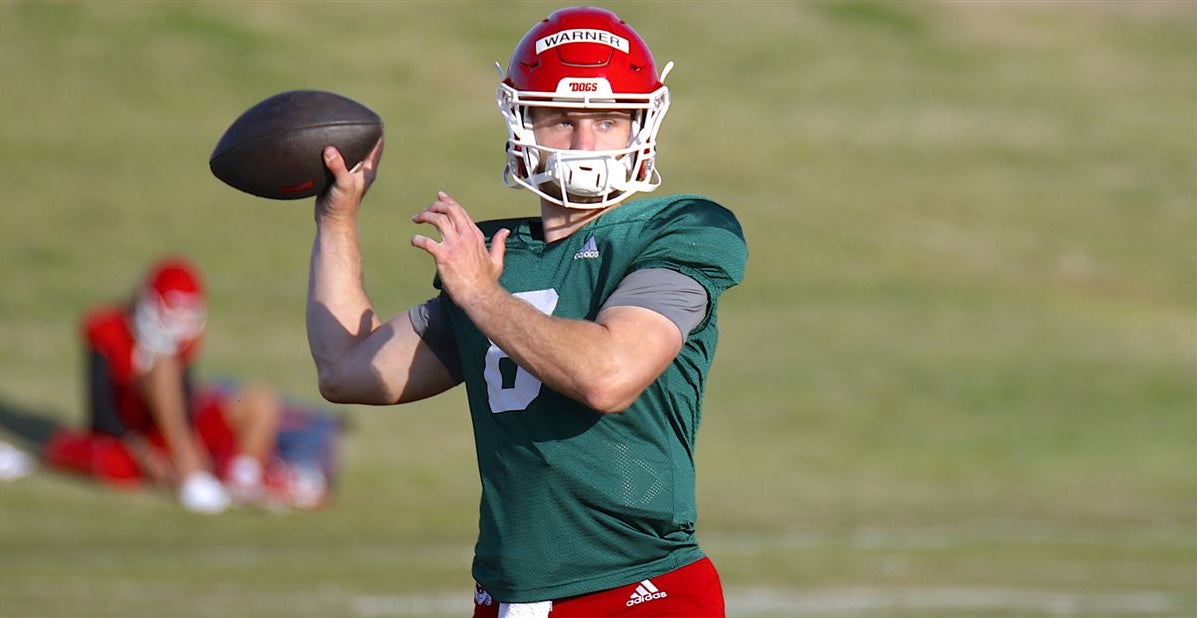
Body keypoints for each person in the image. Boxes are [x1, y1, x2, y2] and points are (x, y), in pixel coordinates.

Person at [307, 6, 746, 616]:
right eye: (561, 120)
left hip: (640, 590)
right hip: (507, 596)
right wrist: (337, 217)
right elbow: (347, 368)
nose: (585, 143)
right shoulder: (496, 260)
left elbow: (607, 375)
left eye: (609, 120)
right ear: (521, 123)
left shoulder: (678, 231)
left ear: (641, 129)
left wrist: (481, 295)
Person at [44, 256, 283, 513]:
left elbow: (186, 400)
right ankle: (190, 469)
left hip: (175, 429)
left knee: (260, 401)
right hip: (130, 432)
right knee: (162, 368)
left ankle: (242, 478)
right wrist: (143, 451)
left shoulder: (186, 341)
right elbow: (101, 413)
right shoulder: (108, 329)